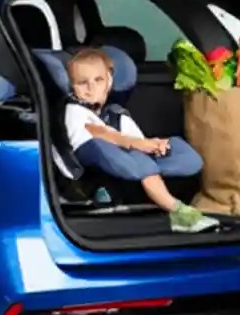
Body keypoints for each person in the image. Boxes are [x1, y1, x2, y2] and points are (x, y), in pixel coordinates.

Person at [64, 47, 219, 233]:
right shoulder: (74, 111)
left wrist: (155, 145)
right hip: (86, 159)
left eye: (98, 80)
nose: (91, 88)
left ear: (109, 81)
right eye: (82, 83)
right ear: (72, 86)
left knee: (168, 152)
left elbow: (137, 139)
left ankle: (167, 204)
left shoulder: (115, 114)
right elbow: (98, 133)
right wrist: (135, 144)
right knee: (139, 160)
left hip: (120, 159)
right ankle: (177, 211)